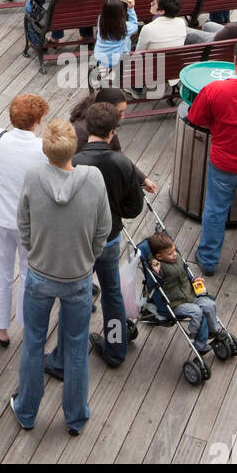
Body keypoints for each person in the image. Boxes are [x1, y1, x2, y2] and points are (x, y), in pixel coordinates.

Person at [11, 119, 111, 436]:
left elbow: (22, 224)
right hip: (79, 277)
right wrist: (87, 257)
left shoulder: (33, 176)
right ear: (74, 147)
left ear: (46, 149)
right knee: (77, 347)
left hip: (40, 275)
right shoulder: (93, 179)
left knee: (33, 344)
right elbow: (103, 229)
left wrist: (36, 250)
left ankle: (26, 411)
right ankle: (76, 417)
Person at [73, 102, 145, 368]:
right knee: (112, 295)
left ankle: (70, 351)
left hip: (81, 241)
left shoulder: (75, 162)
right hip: (111, 238)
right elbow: (134, 208)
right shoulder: (121, 162)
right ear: (112, 132)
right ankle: (116, 348)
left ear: (87, 126)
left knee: (78, 295)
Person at [0, 93, 49, 344]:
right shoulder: (42, 149)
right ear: (37, 121)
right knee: (28, 272)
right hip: (29, 223)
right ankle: (27, 321)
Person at [188, 38, 237, 278]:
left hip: (223, 163)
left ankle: (208, 260)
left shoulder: (214, 90)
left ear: (234, 60)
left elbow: (195, 119)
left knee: (215, 210)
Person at [147, 231, 230, 355]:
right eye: (170, 254)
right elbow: (155, 273)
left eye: (174, 251)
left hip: (189, 294)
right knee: (197, 311)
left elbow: (184, 274)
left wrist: (193, 280)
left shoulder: (177, 258)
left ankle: (213, 330)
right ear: (159, 257)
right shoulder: (159, 266)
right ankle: (196, 338)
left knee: (209, 305)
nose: (174, 254)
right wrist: (154, 264)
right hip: (175, 302)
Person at [92, 0, 138, 73]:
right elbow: (135, 25)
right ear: (121, 11)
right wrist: (131, 9)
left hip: (100, 56)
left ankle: (103, 69)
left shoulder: (100, 20)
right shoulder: (125, 27)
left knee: (125, 39)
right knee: (127, 40)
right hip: (117, 60)